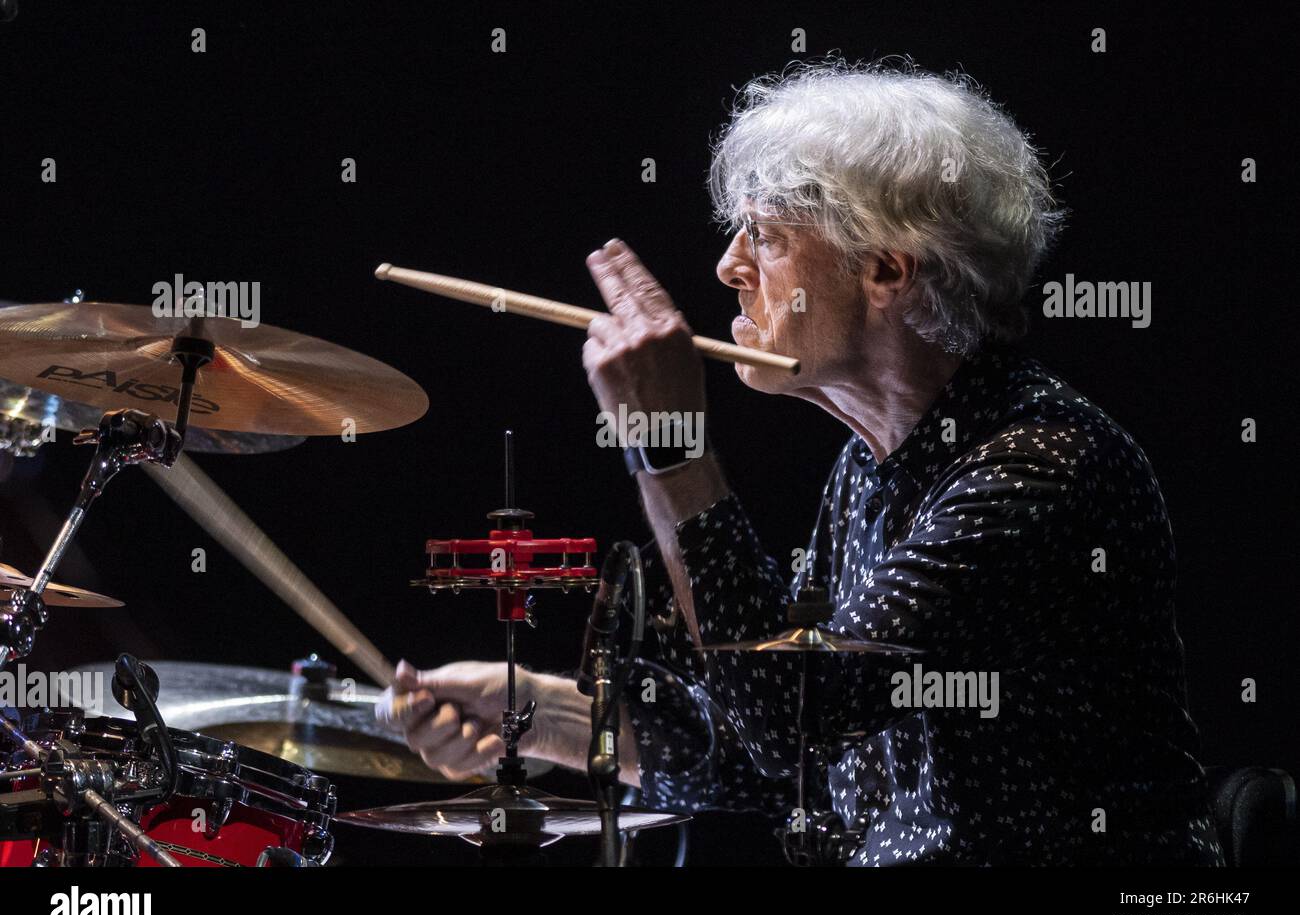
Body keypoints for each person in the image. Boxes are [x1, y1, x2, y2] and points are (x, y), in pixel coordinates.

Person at [377, 60, 1223, 865]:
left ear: (887, 269)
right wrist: (544, 716)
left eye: (768, 236)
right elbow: (778, 755)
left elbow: (792, 720)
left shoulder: (1040, 469)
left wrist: (670, 443)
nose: (729, 266)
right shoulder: (872, 468)